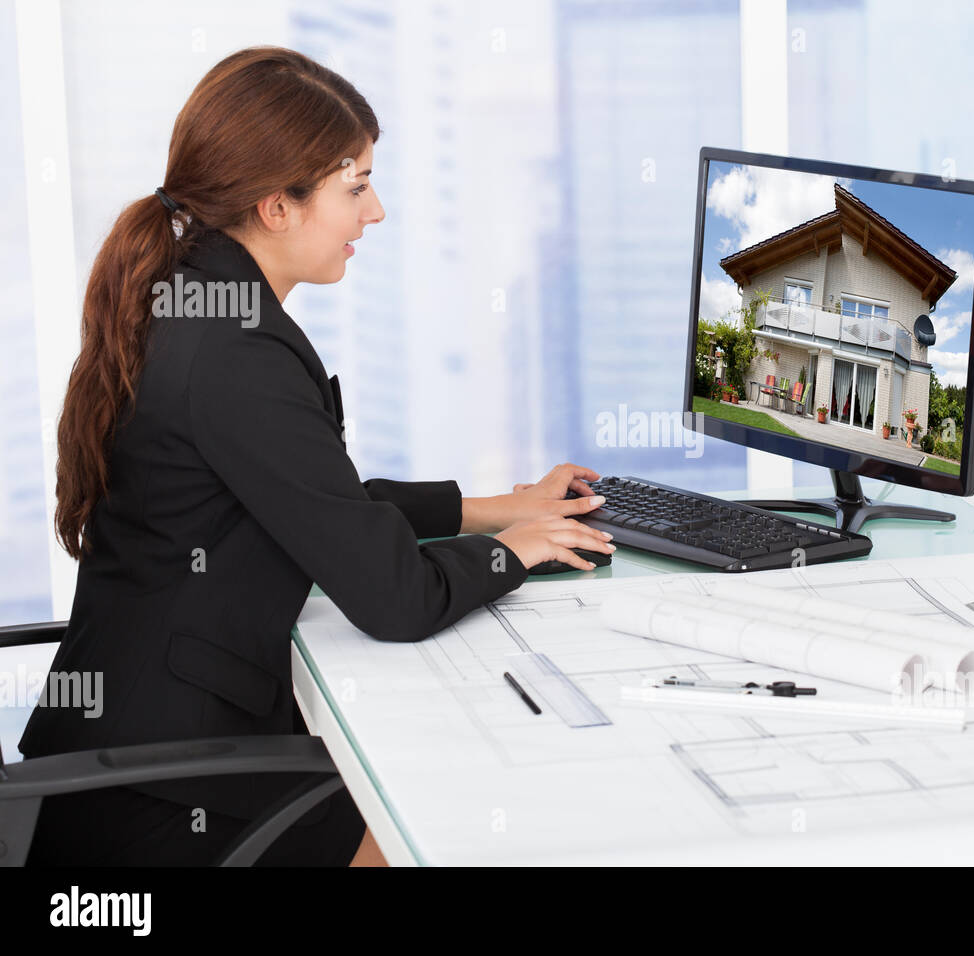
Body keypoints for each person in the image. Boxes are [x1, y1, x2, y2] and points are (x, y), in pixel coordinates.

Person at [19, 46, 614, 867]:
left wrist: (497, 509)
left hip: (133, 744)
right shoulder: (236, 352)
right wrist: (513, 555)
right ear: (277, 207)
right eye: (356, 186)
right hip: (167, 794)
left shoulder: (191, 293)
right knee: (458, 820)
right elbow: (396, 601)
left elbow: (308, 498)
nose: (375, 214)